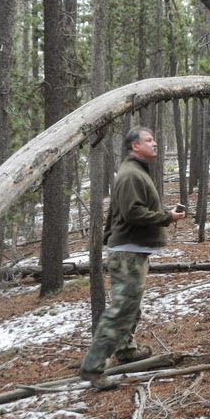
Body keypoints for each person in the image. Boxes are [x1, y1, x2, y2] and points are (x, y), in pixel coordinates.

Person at [79, 126, 186, 390]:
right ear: (134, 146)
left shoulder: (136, 172)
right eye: (149, 140)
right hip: (127, 252)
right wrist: (166, 217)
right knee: (120, 310)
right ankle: (93, 368)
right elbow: (132, 213)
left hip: (132, 251)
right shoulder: (129, 175)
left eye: (155, 139)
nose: (155, 143)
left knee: (130, 306)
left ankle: (126, 350)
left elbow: (124, 212)